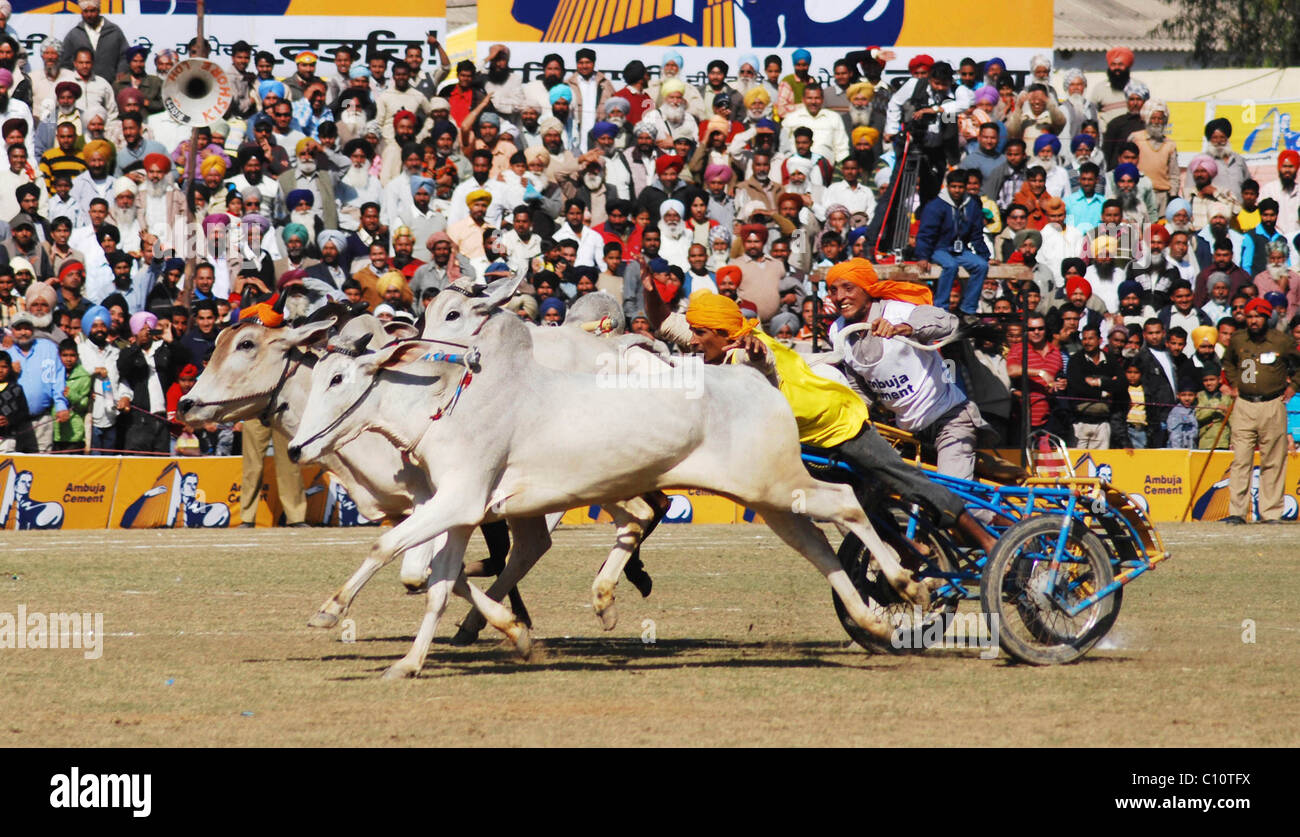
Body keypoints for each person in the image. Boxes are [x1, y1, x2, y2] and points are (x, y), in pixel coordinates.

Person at [643, 285, 997, 554]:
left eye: (699, 334)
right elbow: (664, 323)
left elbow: (762, 361)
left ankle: (986, 541)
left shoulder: (743, 354)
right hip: (807, 441)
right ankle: (910, 556)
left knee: (904, 480)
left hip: (839, 425)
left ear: (723, 335)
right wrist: (648, 289)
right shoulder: (715, 343)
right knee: (845, 505)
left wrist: (756, 351)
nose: (692, 341)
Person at [1219, 297, 1300, 523]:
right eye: (1250, 316)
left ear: (1267, 317)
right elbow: (1228, 363)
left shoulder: (1281, 341)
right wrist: (1234, 384)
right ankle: (1236, 512)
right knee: (1241, 459)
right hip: (1244, 404)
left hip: (1273, 403)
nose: (1254, 321)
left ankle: (1271, 513)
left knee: (1273, 460)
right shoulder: (1237, 339)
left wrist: (1293, 386)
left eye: (1258, 316)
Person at [914, 169, 989, 317]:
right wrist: (923, 256)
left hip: (960, 249)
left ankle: (968, 308)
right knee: (950, 266)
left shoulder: (971, 205)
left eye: (960, 187)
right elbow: (926, 233)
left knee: (981, 265)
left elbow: (977, 233)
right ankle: (941, 307)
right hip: (939, 248)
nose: (957, 190)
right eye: (953, 186)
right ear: (947, 186)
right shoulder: (936, 205)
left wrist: (985, 255)